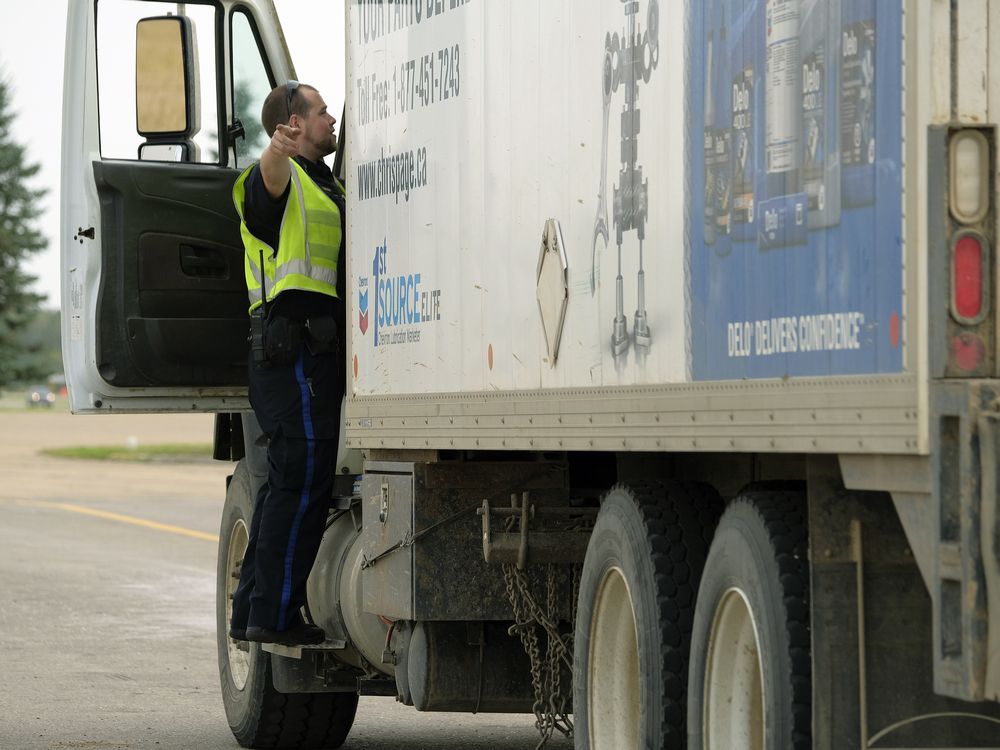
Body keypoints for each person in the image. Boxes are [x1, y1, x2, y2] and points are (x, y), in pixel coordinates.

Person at [228, 81, 346, 646]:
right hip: (291, 358)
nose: (331, 118)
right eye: (321, 111)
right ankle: (274, 618)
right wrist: (276, 149)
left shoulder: (325, 184)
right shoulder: (278, 177)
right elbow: (266, 184)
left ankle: (252, 611)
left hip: (308, 358)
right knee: (300, 485)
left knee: (285, 487)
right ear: (294, 124)